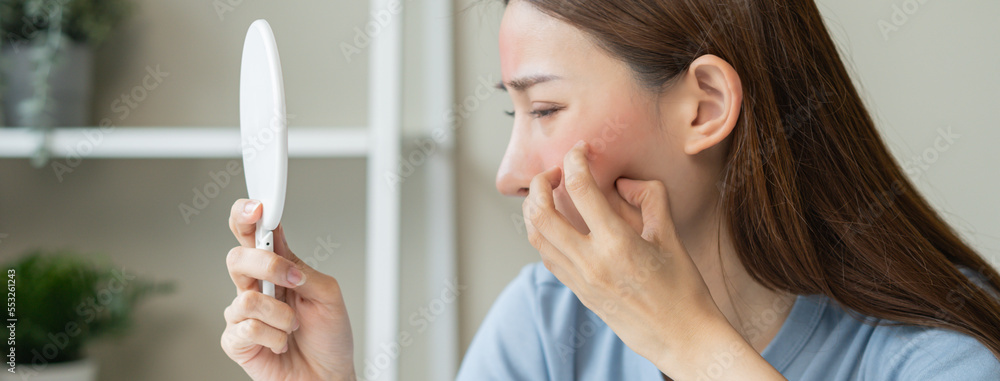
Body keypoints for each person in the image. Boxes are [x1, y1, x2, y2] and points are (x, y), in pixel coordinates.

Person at [220, 0, 1000, 380]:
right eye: (511, 110)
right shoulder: (548, 326)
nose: (509, 172)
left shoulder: (937, 357)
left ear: (705, 107)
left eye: (546, 108)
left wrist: (685, 340)